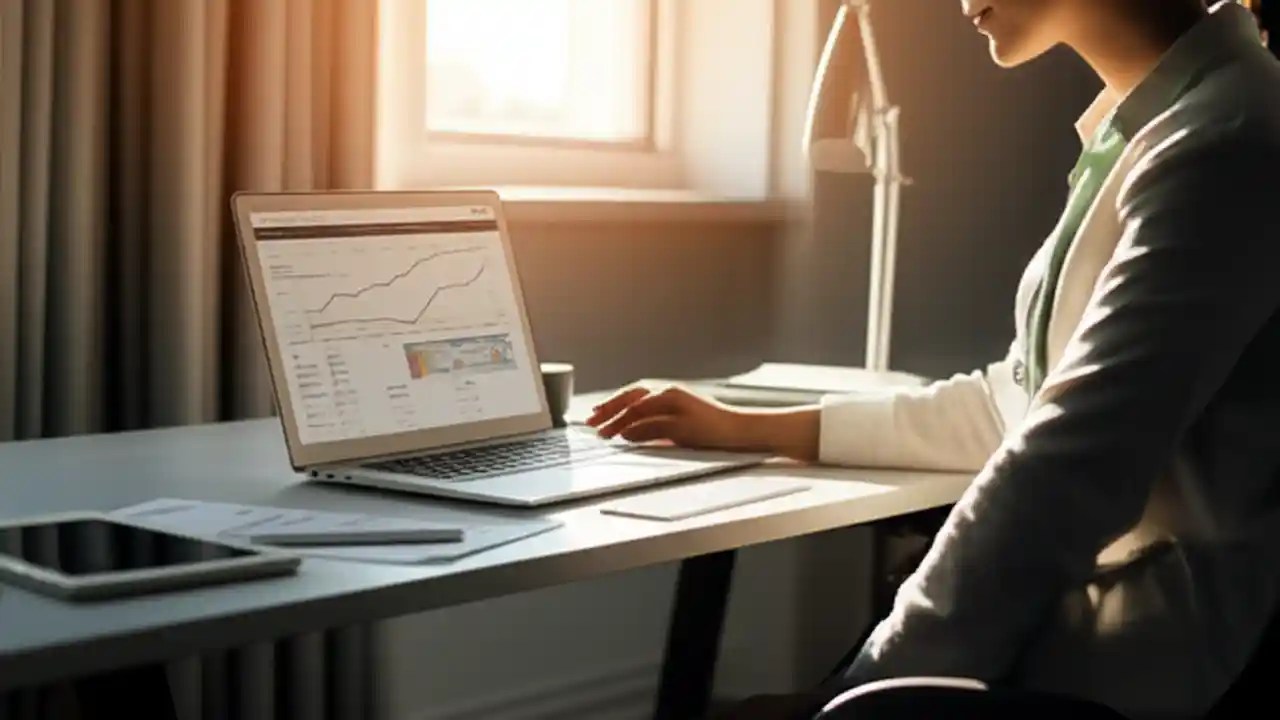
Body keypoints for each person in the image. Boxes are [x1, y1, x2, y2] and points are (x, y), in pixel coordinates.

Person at [587, 1, 1280, 718]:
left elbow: (1071, 465)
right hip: (1084, 629)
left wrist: (860, 690)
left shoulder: (1226, 137)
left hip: (1156, 661)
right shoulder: (1157, 124)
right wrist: (753, 427)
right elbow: (1016, 404)